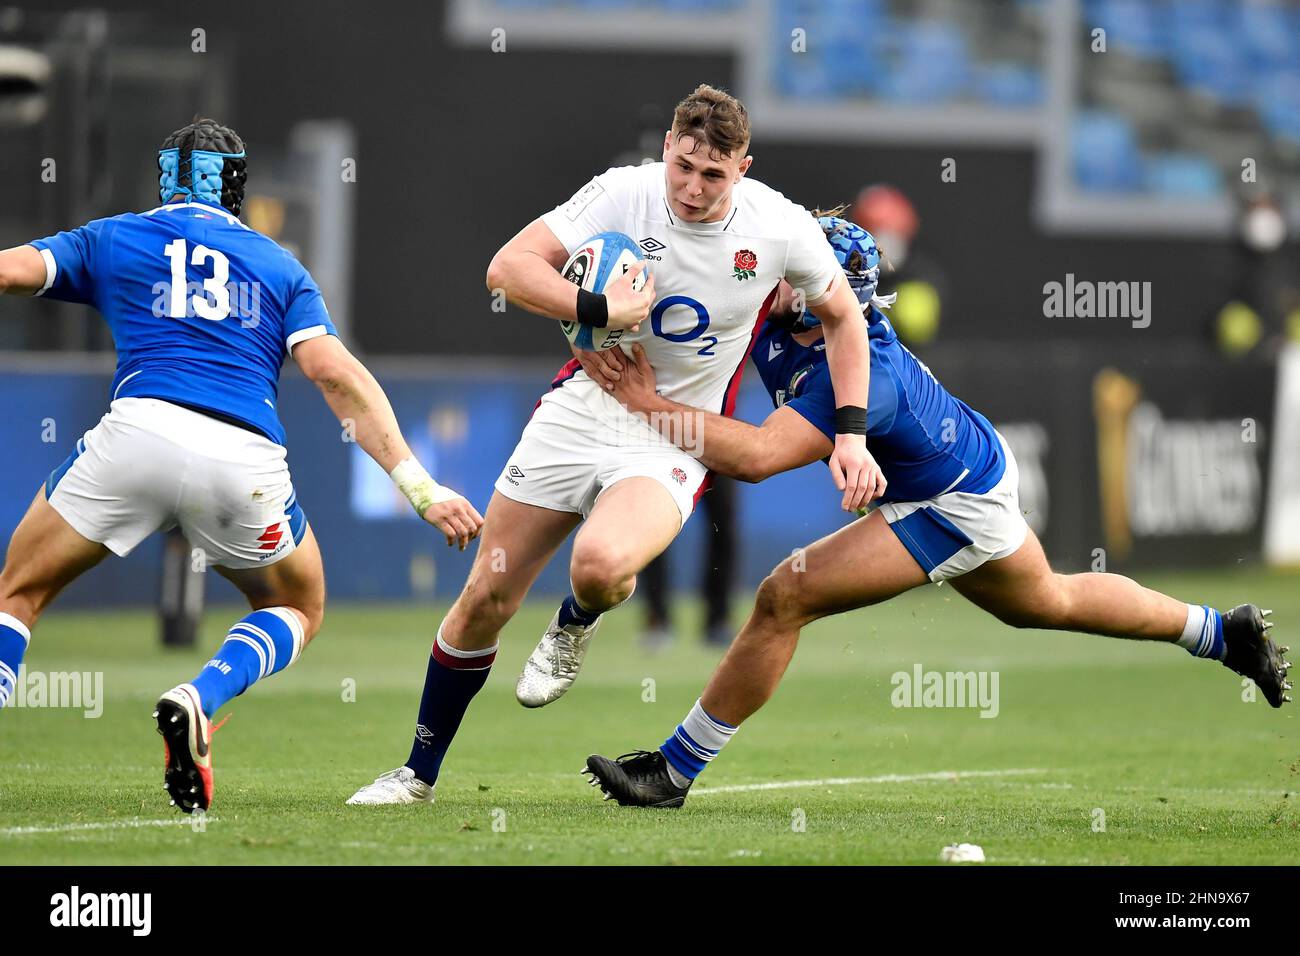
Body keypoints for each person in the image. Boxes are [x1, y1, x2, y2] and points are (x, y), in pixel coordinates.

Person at [577, 214, 1292, 808]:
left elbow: (761, 458)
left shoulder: (855, 371)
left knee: (782, 596)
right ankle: (1220, 634)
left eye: (803, 276)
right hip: (968, 463)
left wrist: (646, 403)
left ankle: (672, 773)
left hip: (952, 499)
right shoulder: (782, 311)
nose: (784, 282)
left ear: (841, 296)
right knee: (1048, 600)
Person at [347, 84, 883, 805]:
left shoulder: (779, 227)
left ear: (743, 169)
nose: (693, 188)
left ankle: (576, 621)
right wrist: (596, 309)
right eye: (683, 166)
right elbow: (507, 269)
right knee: (485, 597)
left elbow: (845, 319)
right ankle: (416, 775)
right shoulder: (623, 192)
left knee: (599, 568)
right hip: (583, 407)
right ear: (667, 147)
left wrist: (850, 435)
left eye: (713, 175)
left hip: (673, 433)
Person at [0, 118, 483, 813]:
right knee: (296, 604)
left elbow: (11, 270)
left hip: (137, 434)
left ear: (163, 178)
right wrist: (419, 484)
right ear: (236, 187)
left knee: (18, 593)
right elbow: (334, 375)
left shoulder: (112, 237)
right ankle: (200, 694)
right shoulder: (279, 265)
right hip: (242, 457)